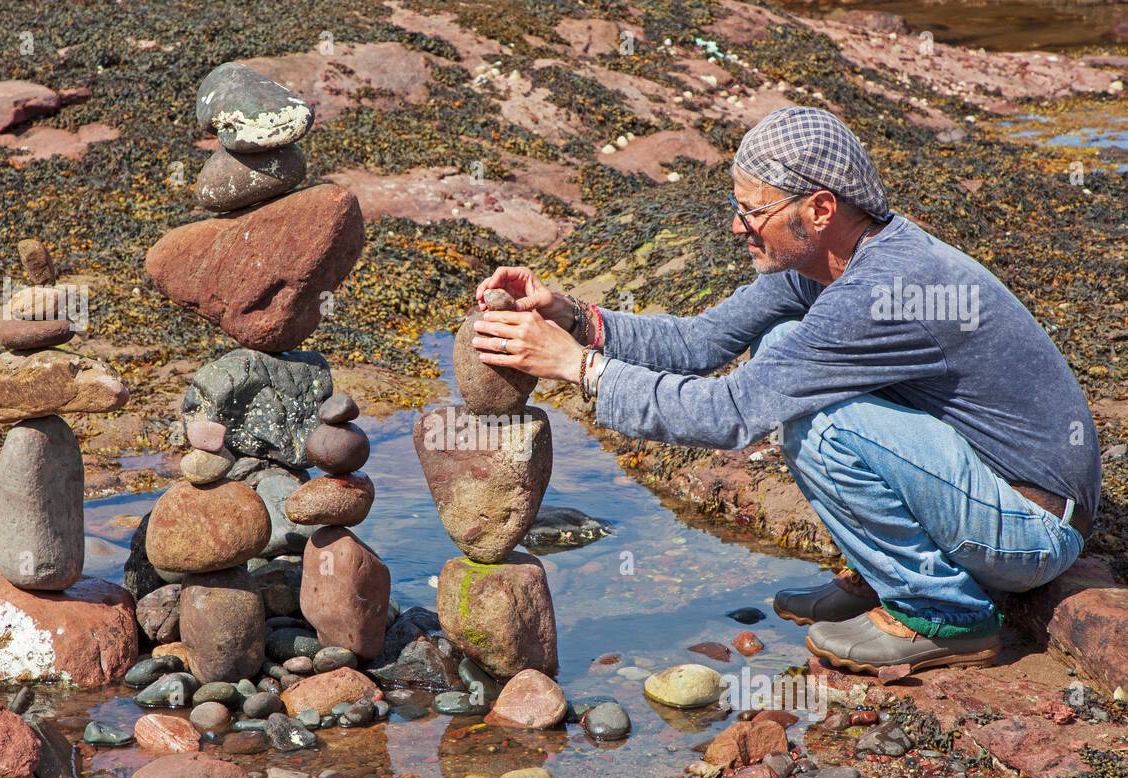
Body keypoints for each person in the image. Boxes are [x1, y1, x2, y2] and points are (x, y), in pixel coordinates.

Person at [469, 106, 1099, 675]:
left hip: (1030, 531)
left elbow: (731, 413)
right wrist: (576, 319)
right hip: (978, 484)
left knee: (824, 424)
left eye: (754, 210)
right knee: (782, 352)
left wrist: (579, 368)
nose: (740, 227)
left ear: (820, 209)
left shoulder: (883, 291)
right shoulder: (829, 260)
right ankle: (888, 573)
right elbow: (699, 344)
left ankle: (945, 613)